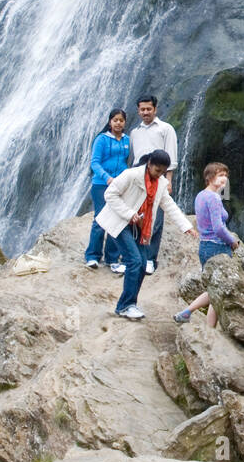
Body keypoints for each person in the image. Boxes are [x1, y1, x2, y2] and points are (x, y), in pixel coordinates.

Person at [94, 150, 197, 320]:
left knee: (142, 264)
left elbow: (169, 206)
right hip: (121, 222)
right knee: (134, 261)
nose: (159, 175)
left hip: (141, 226)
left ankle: (130, 303)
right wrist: (129, 213)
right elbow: (109, 194)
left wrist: (186, 226)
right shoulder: (131, 175)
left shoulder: (161, 183)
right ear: (149, 164)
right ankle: (124, 306)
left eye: (163, 172)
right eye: (157, 170)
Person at [174, 162, 239, 326]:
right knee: (217, 288)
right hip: (217, 247)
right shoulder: (214, 197)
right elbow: (218, 227)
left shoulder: (201, 195)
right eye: (220, 175)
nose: (224, 178)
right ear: (210, 178)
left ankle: (209, 328)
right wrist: (232, 241)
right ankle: (188, 311)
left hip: (204, 246)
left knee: (215, 288)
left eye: (226, 175)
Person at [129, 95, 178, 275]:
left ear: (155, 109)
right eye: (142, 109)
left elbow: (171, 157)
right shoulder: (135, 132)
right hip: (138, 175)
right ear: (138, 110)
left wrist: (169, 181)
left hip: (159, 176)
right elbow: (133, 158)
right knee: (136, 216)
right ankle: (136, 256)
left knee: (155, 218)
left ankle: (150, 258)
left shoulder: (166, 129)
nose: (145, 112)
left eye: (149, 109)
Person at [84, 108, 130, 273]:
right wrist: (107, 177)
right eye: (115, 120)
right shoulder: (101, 139)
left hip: (120, 184)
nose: (118, 123)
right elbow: (94, 163)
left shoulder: (127, 140)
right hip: (101, 184)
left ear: (125, 123)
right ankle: (92, 256)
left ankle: (112, 258)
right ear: (110, 122)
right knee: (100, 219)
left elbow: (126, 161)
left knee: (116, 219)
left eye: (121, 120)